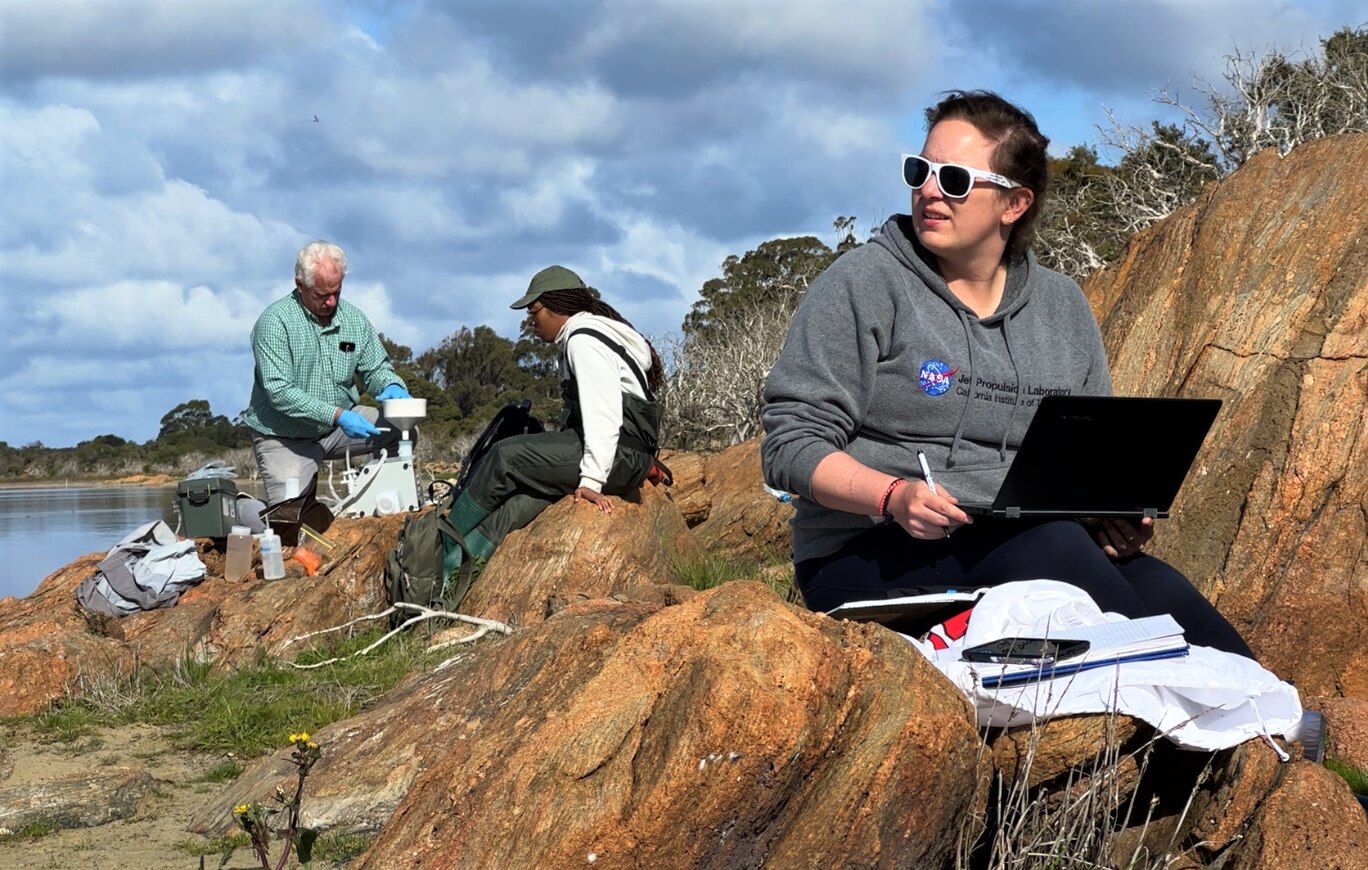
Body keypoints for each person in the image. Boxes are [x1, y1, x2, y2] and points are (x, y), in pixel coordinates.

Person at [760, 90, 1253, 658]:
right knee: (1057, 554)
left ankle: (1278, 719)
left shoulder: (1062, 307)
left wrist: (1110, 517)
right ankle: (1191, 690)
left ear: (1014, 204)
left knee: (1159, 585)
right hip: (865, 552)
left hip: (1033, 540)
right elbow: (791, 445)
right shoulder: (863, 284)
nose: (927, 191)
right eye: (920, 170)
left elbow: (1088, 460)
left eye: (954, 180)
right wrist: (891, 495)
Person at [445, 265, 664, 565]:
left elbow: (604, 415)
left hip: (617, 458)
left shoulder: (583, 341)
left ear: (559, 307)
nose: (530, 320)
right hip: (623, 457)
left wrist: (591, 481)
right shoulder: (581, 337)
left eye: (534, 311)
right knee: (523, 499)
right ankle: (457, 567)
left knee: (504, 456)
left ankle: (441, 543)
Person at [243, 240, 412, 506]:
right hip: (285, 437)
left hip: (339, 427)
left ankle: (383, 502)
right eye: (322, 295)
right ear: (300, 285)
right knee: (293, 519)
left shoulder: (354, 320)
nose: (331, 301)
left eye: (337, 291)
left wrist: (391, 385)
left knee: (401, 430)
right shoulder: (274, 323)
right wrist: (336, 415)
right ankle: (250, 511)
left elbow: (376, 368)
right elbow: (279, 392)